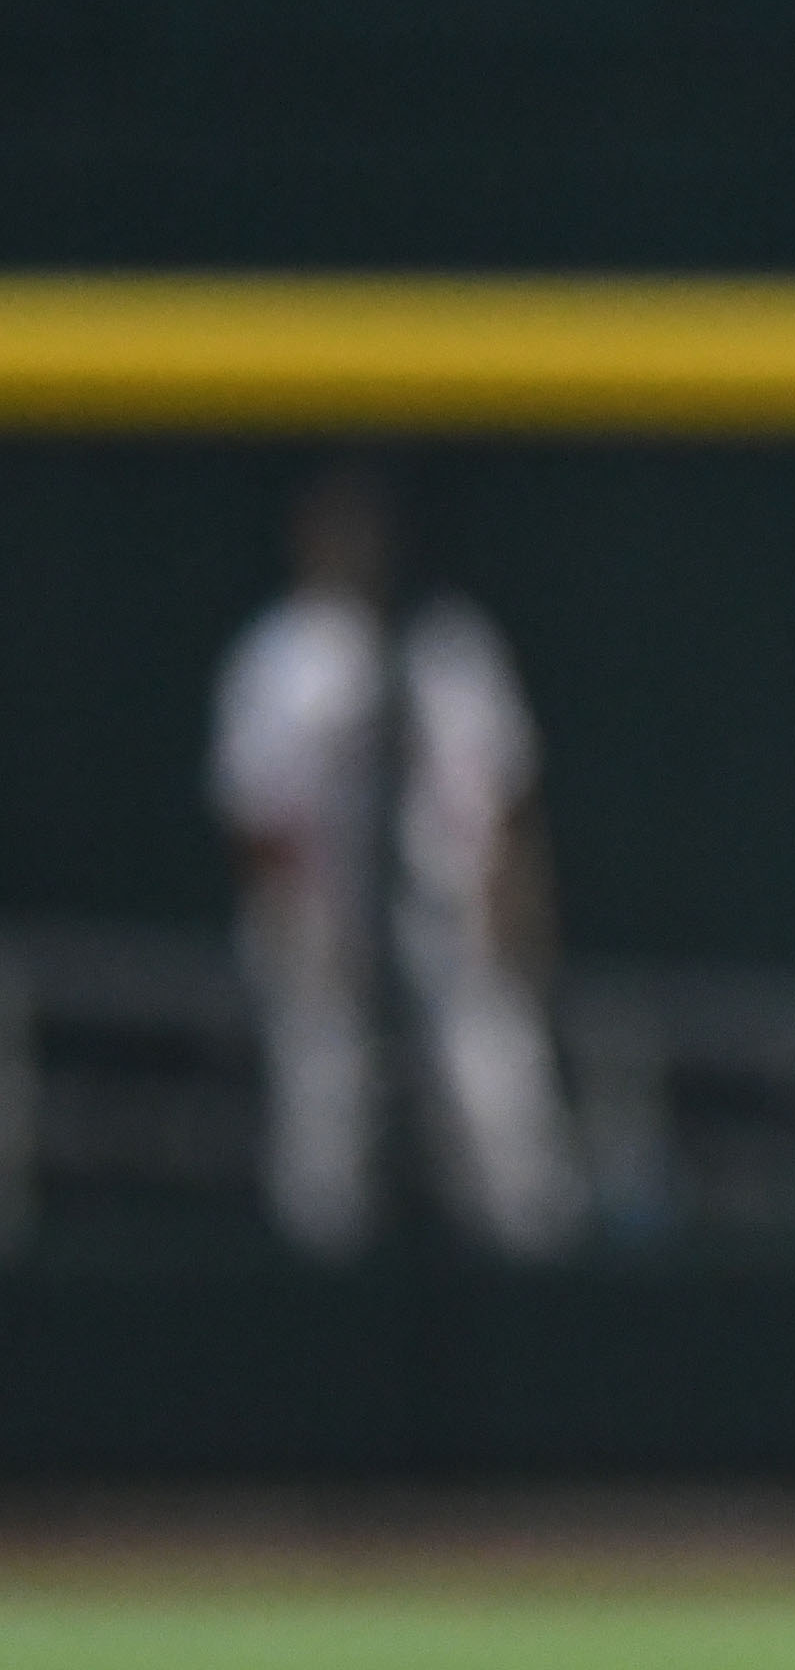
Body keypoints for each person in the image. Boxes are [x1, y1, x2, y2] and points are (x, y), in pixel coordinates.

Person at [209, 466, 587, 1262]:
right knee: (324, 1136)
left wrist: (519, 908)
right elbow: (255, 815)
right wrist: (288, 930)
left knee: (501, 1119)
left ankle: (540, 1310)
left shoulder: (451, 646)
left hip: (448, 919)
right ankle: (325, 1321)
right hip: (330, 923)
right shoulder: (281, 657)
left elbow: (510, 802)